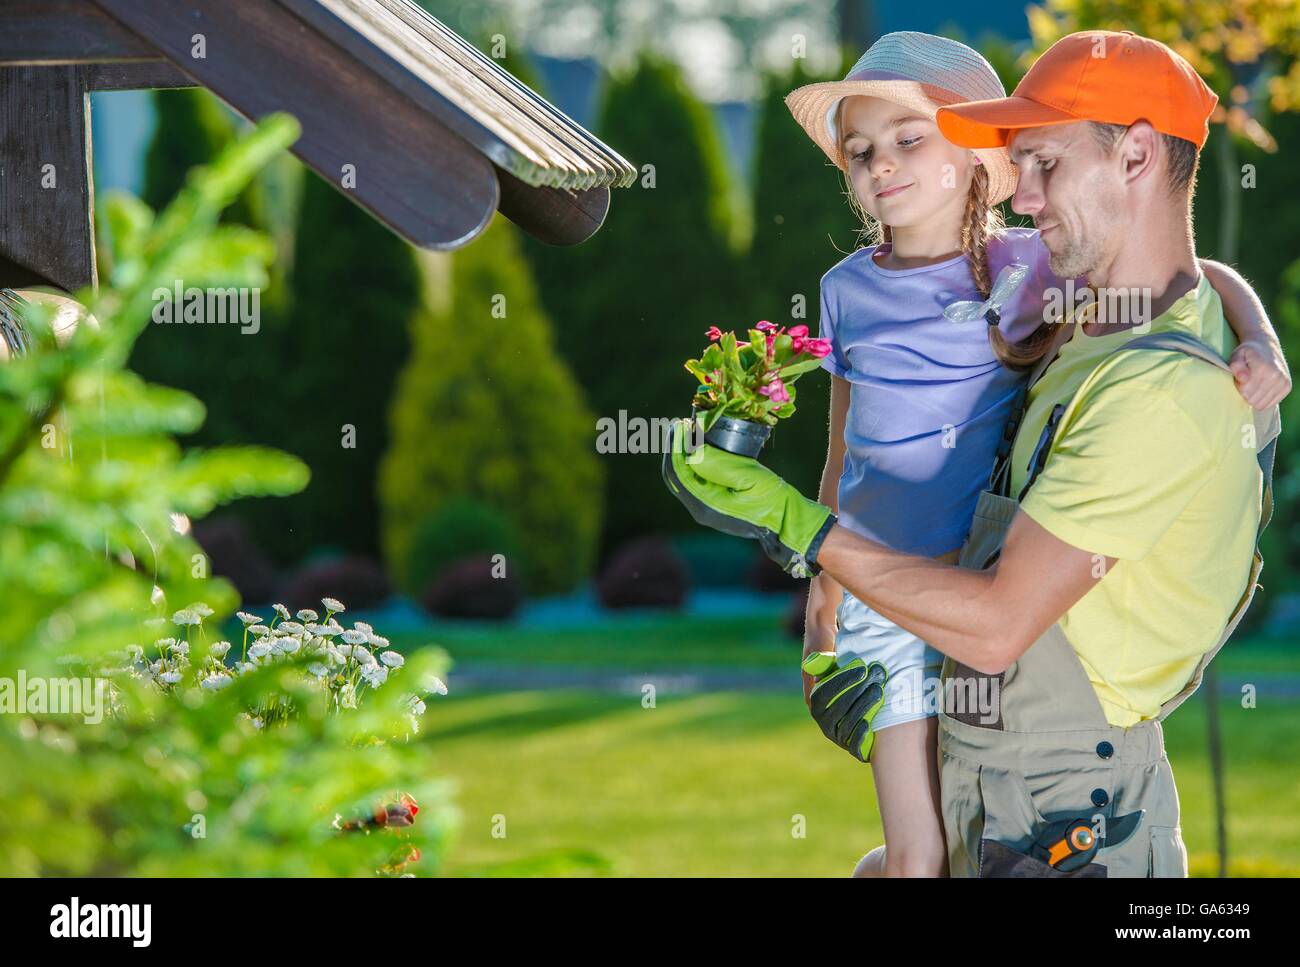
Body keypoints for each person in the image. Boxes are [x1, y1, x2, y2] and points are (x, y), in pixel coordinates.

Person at [665, 29, 1288, 877]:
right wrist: (1259, 329)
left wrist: (800, 529)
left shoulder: (1157, 392)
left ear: (1137, 155)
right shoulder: (1095, 315)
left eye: (1045, 166)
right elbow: (1201, 267)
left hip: (1060, 820)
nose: (1020, 198)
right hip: (1000, 774)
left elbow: (995, 626)